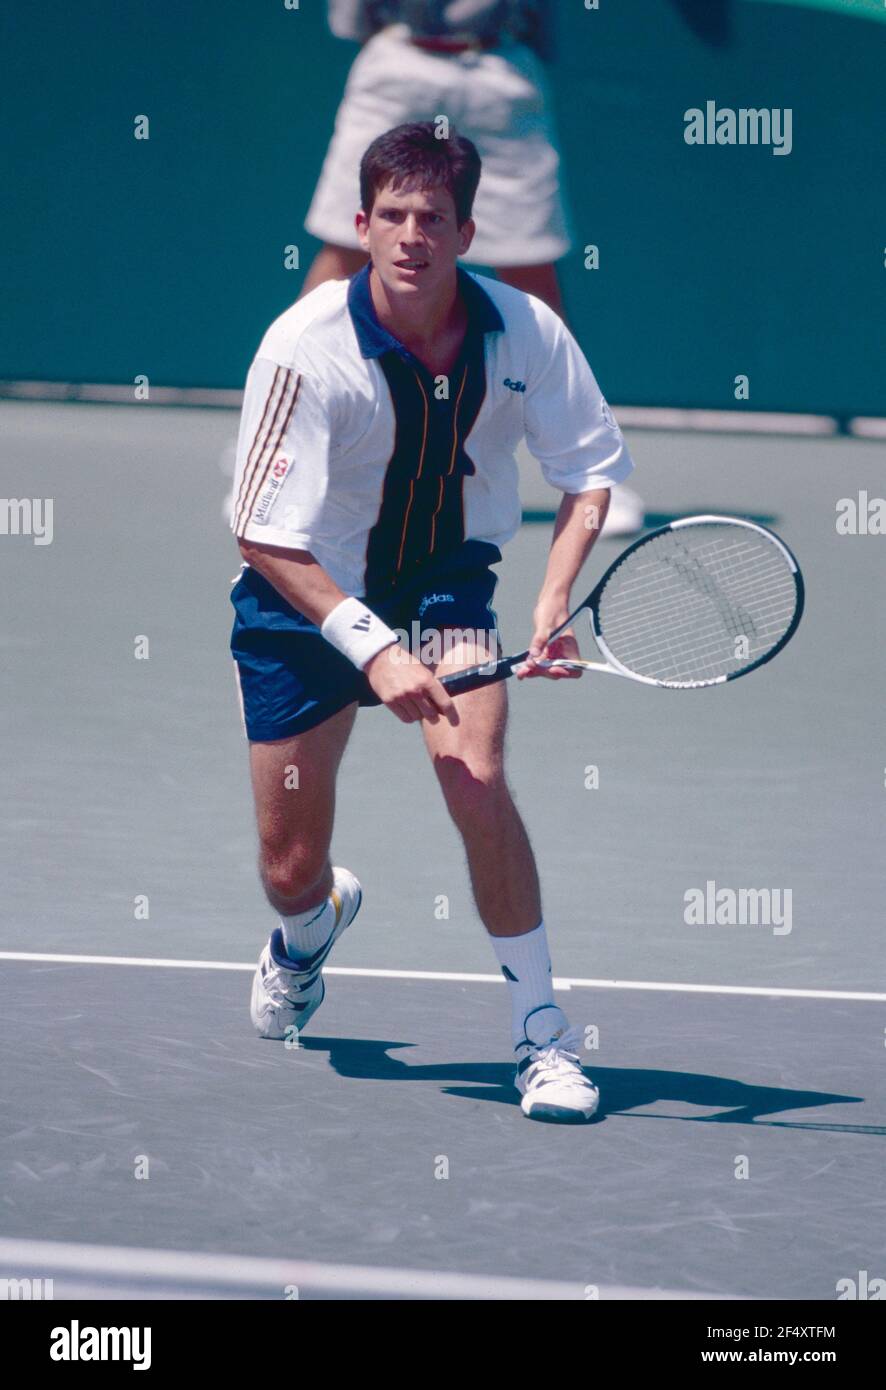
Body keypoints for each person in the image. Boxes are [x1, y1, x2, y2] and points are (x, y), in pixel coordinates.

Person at [229, 123, 634, 1123]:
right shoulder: (301, 348)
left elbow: (588, 476)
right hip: (310, 596)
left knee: (475, 777)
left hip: (448, 584)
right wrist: (371, 650)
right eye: (395, 216)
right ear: (362, 225)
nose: (413, 237)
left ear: (466, 230)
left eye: (435, 219)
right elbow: (259, 535)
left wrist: (551, 601)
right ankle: (308, 933)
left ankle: (543, 1037)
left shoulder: (526, 331)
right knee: (288, 868)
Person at [300, 0, 644, 536]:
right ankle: (282, 444)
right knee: (345, 251)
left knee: (533, 274)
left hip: (499, 74)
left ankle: (588, 472)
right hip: (397, 68)